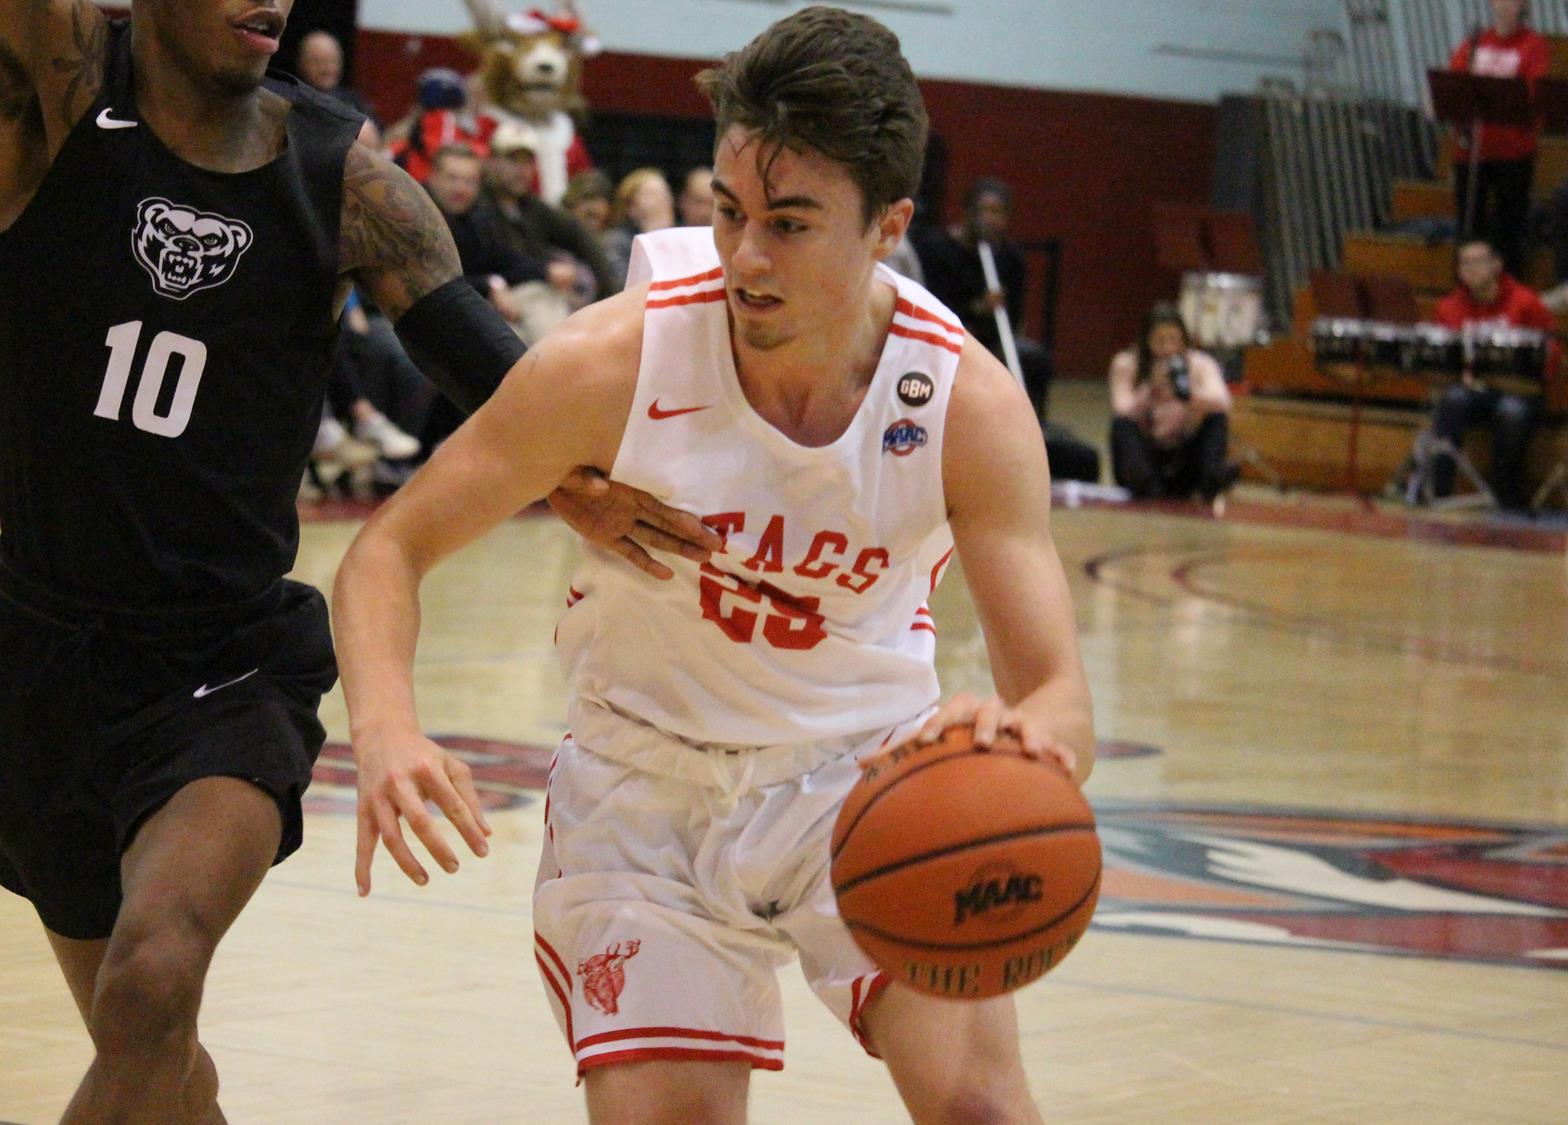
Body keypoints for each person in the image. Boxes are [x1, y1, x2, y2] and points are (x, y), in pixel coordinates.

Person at [0, 0, 718, 1118]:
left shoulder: (337, 171)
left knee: (151, 982)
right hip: (40, 664)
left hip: (226, 665)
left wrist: (568, 473)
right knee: (151, 1050)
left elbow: (484, 359)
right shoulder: (55, 81)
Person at [334, 9, 1092, 1124]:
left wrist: (1032, 742)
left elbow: (1060, 693)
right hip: (644, 789)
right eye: (728, 212)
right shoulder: (614, 358)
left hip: (864, 775)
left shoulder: (962, 405)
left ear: (886, 225)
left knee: (980, 1109)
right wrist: (385, 727)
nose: (745, 255)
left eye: (788, 224)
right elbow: (386, 550)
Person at [914, 178, 1053, 421]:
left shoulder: (1011, 258)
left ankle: (1028, 424)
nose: (991, 219)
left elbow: (1014, 318)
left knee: (1034, 359)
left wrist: (995, 315)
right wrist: (977, 307)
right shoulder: (937, 249)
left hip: (991, 341)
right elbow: (932, 305)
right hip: (944, 338)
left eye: (998, 213)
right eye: (984, 211)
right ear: (967, 212)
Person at [1427, 239, 1551, 509]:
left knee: (1512, 412)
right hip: (1474, 390)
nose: (1470, 269)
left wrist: (1534, 381)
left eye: (1478, 261)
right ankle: (1440, 490)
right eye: (1464, 263)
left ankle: (1504, 493)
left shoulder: (1526, 302)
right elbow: (1445, 359)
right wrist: (1458, 375)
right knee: (1452, 400)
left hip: (1520, 391)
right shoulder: (1448, 308)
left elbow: (1549, 351)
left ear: (1496, 264)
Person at [426, 142, 577, 341]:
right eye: (452, 179)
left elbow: (503, 258)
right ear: (433, 178)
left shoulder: (474, 216)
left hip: (478, 303)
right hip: (436, 313)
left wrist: (546, 271)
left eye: (469, 182)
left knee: (543, 294)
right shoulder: (418, 217)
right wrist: (490, 285)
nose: (461, 189)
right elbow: (433, 278)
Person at [1449, 0, 1546, 277]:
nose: (1505, 5)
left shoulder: (1532, 44)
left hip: (1513, 153)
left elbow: (1531, 95)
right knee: (1469, 229)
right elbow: (1454, 83)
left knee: (1508, 232)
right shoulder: (1476, 42)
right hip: (1472, 151)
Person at [1107, 303, 1238, 505]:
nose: (1168, 349)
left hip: (1183, 455)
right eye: (1159, 341)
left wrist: (1188, 395)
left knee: (1216, 418)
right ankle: (1145, 484)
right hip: (1146, 456)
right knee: (1121, 424)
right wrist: (1148, 389)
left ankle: (1212, 476)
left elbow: (1223, 401)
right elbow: (1122, 409)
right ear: (1146, 341)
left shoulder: (1201, 364)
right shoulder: (1126, 363)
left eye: (1174, 340)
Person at [483, 122, 623, 303]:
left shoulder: (533, 207)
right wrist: (545, 271)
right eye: (513, 160)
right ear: (492, 161)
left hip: (539, 293)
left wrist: (610, 293)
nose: (521, 169)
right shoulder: (478, 206)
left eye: (528, 162)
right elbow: (498, 259)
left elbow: (578, 235)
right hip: (498, 296)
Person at [292, 28, 377, 130]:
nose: (327, 69)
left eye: (333, 61)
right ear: (301, 63)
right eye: (318, 62)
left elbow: (381, 136)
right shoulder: (291, 102)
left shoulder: (353, 101)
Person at [600, 165, 675, 281]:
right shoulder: (615, 242)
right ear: (631, 207)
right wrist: (653, 237)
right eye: (653, 194)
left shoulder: (680, 239)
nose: (663, 200)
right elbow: (622, 289)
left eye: (665, 193)